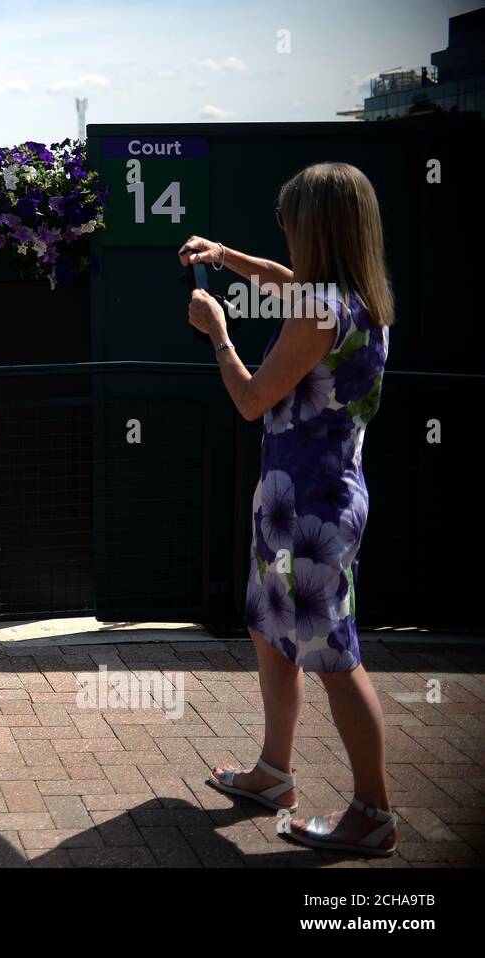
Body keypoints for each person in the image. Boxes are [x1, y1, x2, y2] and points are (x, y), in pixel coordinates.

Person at [184, 161, 397, 856]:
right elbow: (282, 278)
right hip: (307, 501)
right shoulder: (359, 298)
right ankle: (273, 775)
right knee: (273, 634)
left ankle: (373, 812)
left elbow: (251, 400)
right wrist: (225, 257)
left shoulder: (316, 311)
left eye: (291, 224)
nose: (285, 235)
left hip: (308, 512)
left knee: (334, 657)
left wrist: (217, 332)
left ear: (314, 228)